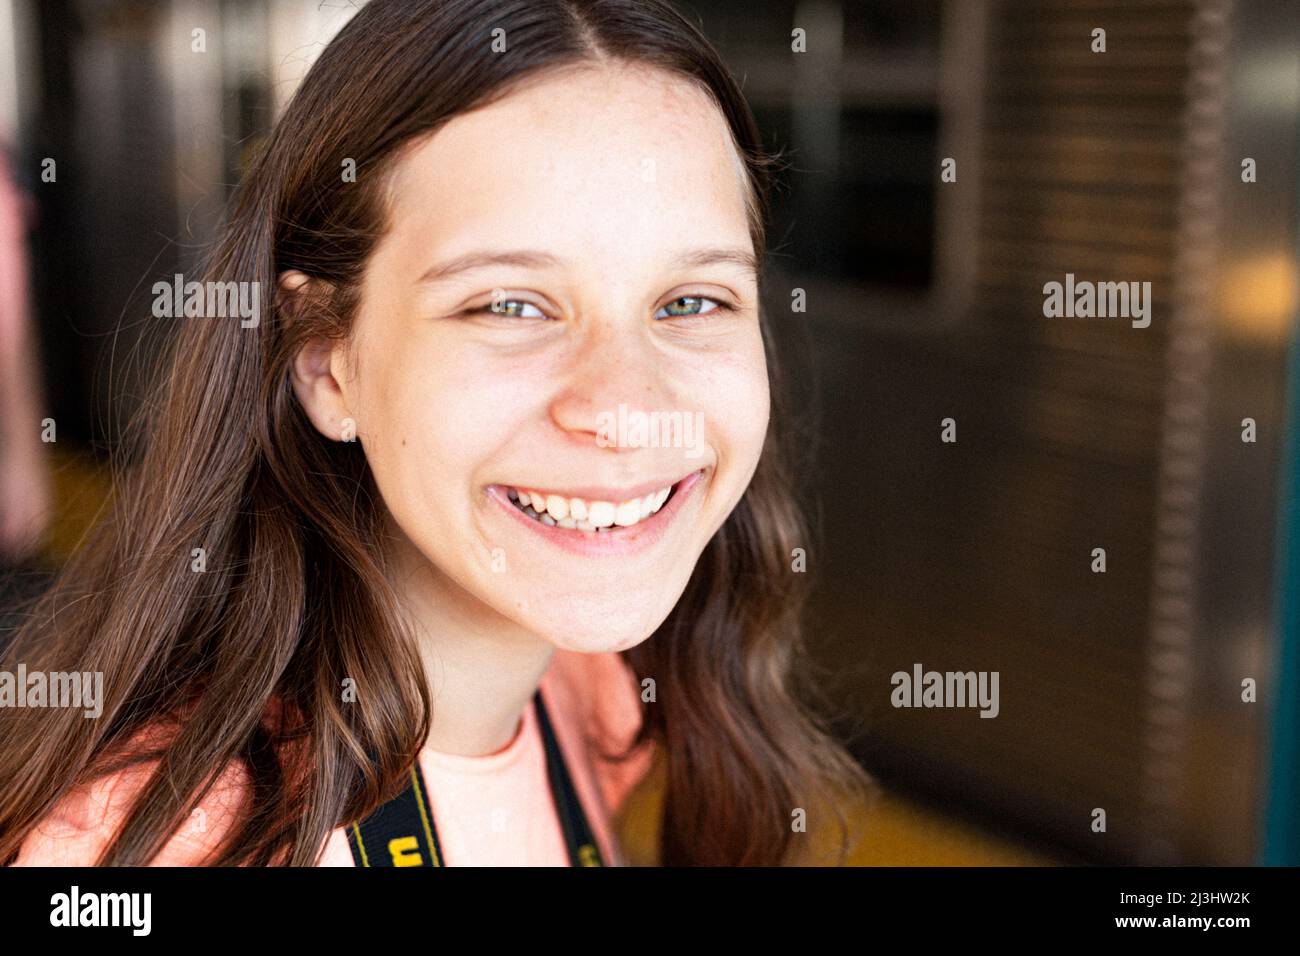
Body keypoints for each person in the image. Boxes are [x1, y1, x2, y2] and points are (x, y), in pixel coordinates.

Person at [1, 0, 872, 867]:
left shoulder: (591, 689)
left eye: (691, 302)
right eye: (508, 305)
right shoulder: (149, 842)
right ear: (326, 363)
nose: (626, 407)